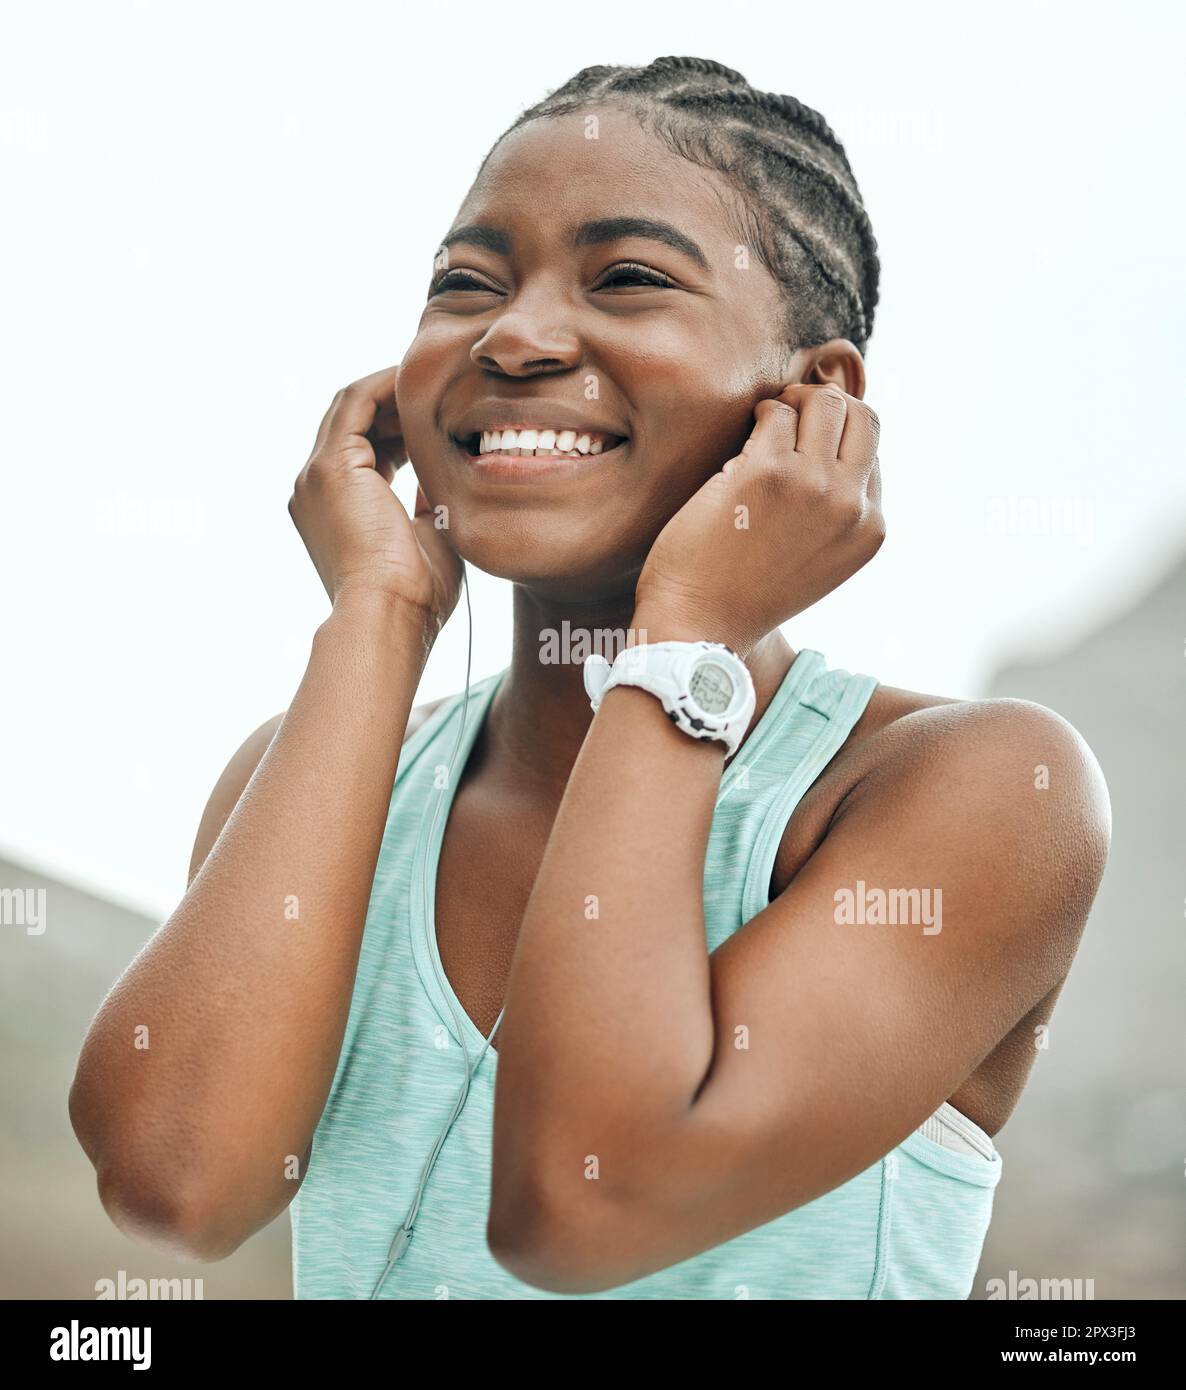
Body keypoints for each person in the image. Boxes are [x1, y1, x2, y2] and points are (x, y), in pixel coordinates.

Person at [69, 56, 1111, 1300]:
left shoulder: (975, 788)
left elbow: (582, 1201)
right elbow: (176, 1184)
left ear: (814, 405)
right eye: (466, 284)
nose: (513, 336)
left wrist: (684, 640)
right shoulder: (312, 776)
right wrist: (377, 613)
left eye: (627, 278)